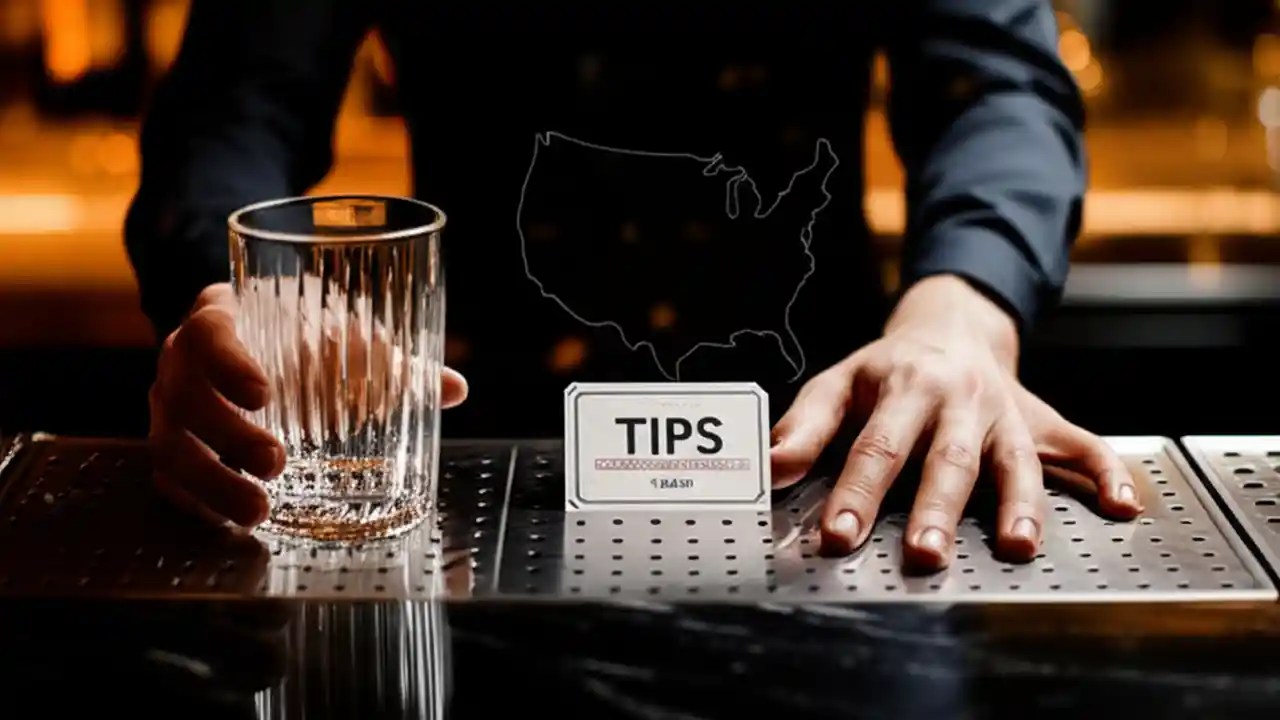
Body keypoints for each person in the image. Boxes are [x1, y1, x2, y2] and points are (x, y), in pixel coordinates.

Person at [125, 0, 1142, 572]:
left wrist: (961, 314)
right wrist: (236, 296)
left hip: (829, 453)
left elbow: (995, 85)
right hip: (456, 464)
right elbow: (232, 105)